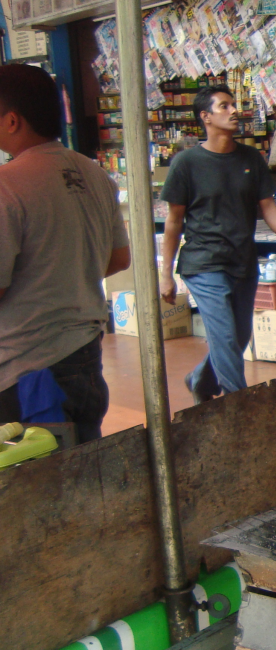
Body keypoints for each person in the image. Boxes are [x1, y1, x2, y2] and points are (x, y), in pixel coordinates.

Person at [0, 64, 131, 443]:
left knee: (39, 483)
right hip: (85, 358)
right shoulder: (93, 173)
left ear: (11, 121)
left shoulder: (8, 185)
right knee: (83, 473)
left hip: (29, 366)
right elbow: (118, 258)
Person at [160, 85, 276, 404]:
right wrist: (165, 273)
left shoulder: (250, 158)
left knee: (239, 337)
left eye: (233, 105)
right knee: (226, 336)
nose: (233, 111)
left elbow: (267, 206)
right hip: (203, 264)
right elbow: (173, 222)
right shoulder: (186, 163)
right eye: (224, 106)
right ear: (206, 117)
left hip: (242, 261)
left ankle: (200, 378)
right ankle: (238, 408)